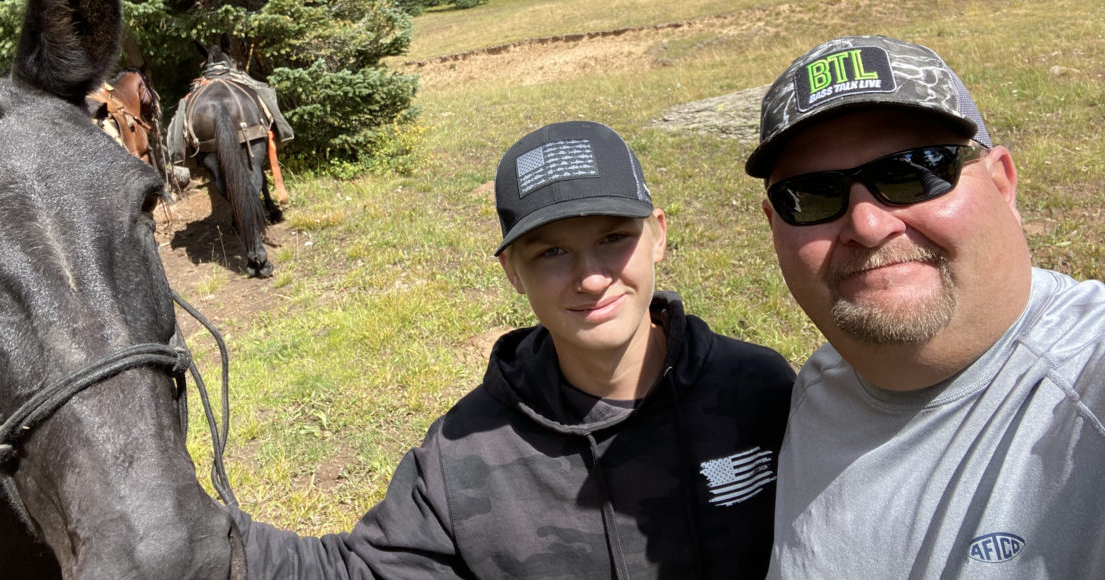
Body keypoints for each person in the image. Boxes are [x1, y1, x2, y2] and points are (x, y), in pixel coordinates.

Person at [231, 119, 795, 579]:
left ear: (659, 234)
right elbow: (359, 574)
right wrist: (207, 537)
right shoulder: (467, 453)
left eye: (614, 237)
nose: (591, 278)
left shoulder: (760, 391)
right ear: (512, 272)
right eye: (551, 252)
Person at [745, 35, 1105, 577]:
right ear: (775, 227)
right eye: (812, 195)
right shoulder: (818, 390)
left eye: (914, 171)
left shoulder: (1086, 386)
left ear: (1003, 182)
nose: (867, 226)